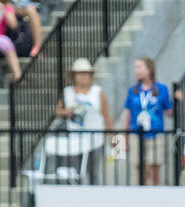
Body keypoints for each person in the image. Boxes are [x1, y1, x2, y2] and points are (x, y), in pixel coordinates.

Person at [117, 56, 172, 186]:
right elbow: (127, 113)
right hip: (136, 134)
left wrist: (176, 100)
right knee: (140, 169)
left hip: (155, 134)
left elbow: (169, 113)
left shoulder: (161, 88)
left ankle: (156, 198)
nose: (136, 70)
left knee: (153, 169)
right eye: (135, 67)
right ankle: (140, 198)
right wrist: (124, 137)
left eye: (139, 67)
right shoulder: (133, 90)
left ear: (149, 69)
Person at [56, 56, 112, 131]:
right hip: (74, 138)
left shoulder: (98, 91)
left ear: (90, 75)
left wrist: (113, 137)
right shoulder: (67, 92)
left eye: (85, 73)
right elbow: (58, 111)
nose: (82, 76)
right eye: (79, 73)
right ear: (74, 75)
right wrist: (67, 112)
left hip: (96, 138)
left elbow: (106, 116)